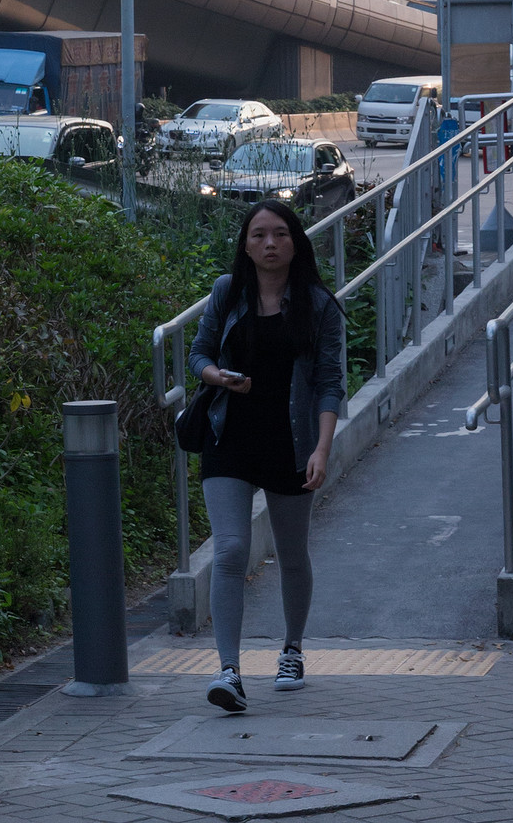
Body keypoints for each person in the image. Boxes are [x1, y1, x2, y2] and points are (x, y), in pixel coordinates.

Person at [177, 198, 344, 712]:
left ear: (296, 242)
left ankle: (292, 650)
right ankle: (229, 671)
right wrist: (216, 376)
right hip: (228, 438)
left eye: (279, 234)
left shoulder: (317, 305)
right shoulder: (228, 292)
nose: (269, 244)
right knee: (229, 552)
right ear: (245, 245)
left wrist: (321, 448)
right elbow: (198, 353)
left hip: (291, 443)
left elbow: (329, 383)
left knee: (292, 554)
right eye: (258, 235)